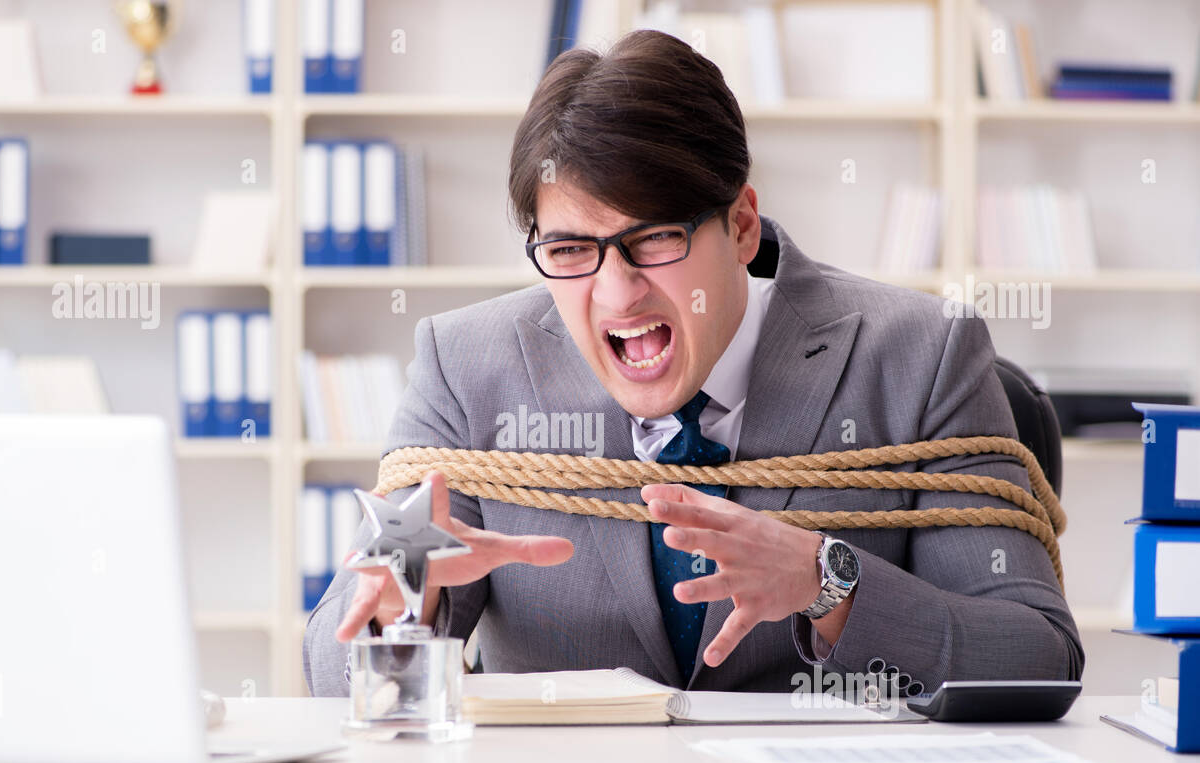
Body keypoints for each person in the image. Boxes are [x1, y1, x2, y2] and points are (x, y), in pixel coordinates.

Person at [303, 29, 1082, 697]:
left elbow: (1036, 661)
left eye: (653, 239)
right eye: (569, 250)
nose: (617, 294)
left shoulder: (922, 355)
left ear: (741, 225)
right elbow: (333, 677)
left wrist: (829, 580)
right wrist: (402, 608)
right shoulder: (467, 368)